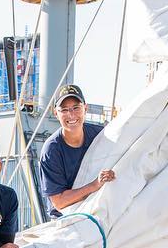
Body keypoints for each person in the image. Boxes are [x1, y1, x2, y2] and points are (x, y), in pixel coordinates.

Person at [38, 84, 114, 218]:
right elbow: (59, 202)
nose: (71, 115)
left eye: (76, 108)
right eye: (65, 110)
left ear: (85, 108)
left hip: (98, 209)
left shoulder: (101, 135)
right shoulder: (51, 151)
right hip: (65, 218)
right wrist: (95, 185)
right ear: (56, 113)